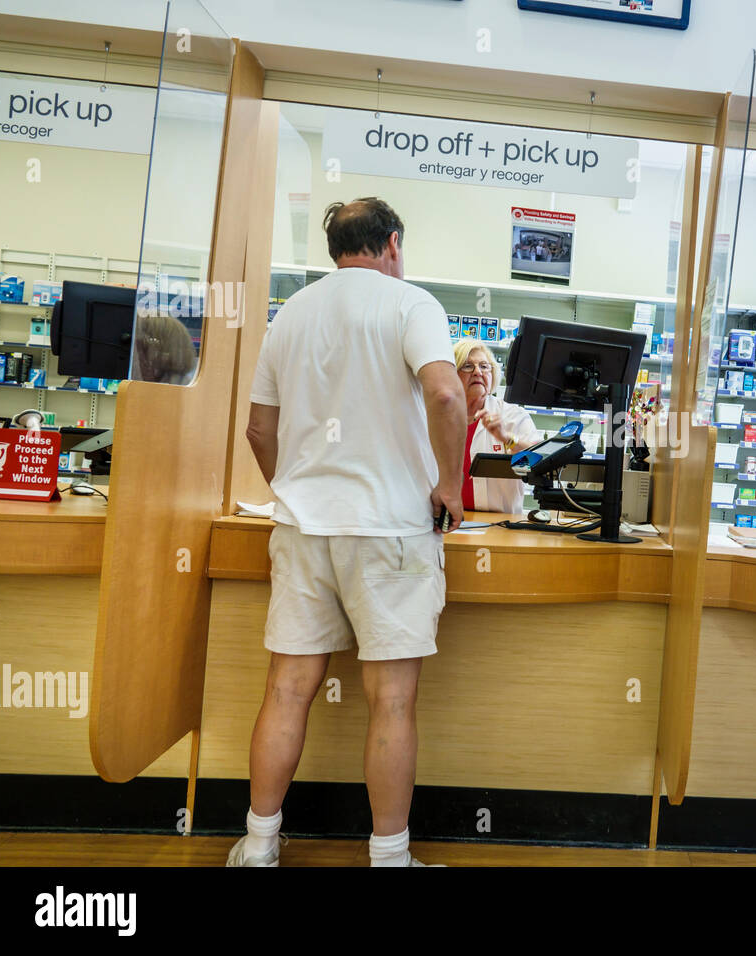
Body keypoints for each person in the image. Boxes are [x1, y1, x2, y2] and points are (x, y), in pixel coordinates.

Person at [228, 197, 466, 868]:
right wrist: (448, 487)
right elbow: (447, 394)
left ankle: (258, 845)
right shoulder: (410, 303)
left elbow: (257, 428)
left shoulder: (292, 314)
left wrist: (295, 488)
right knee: (390, 700)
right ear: (393, 242)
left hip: (305, 530)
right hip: (390, 528)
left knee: (286, 688)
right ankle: (389, 858)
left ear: (337, 246)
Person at [454, 338, 542, 515]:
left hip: (500, 525)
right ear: (452, 374)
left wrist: (507, 438)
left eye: (484, 366)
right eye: (467, 366)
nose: (478, 372)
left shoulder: (513, 416)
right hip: (448, 522)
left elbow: (539, 465)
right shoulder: (437, 417)